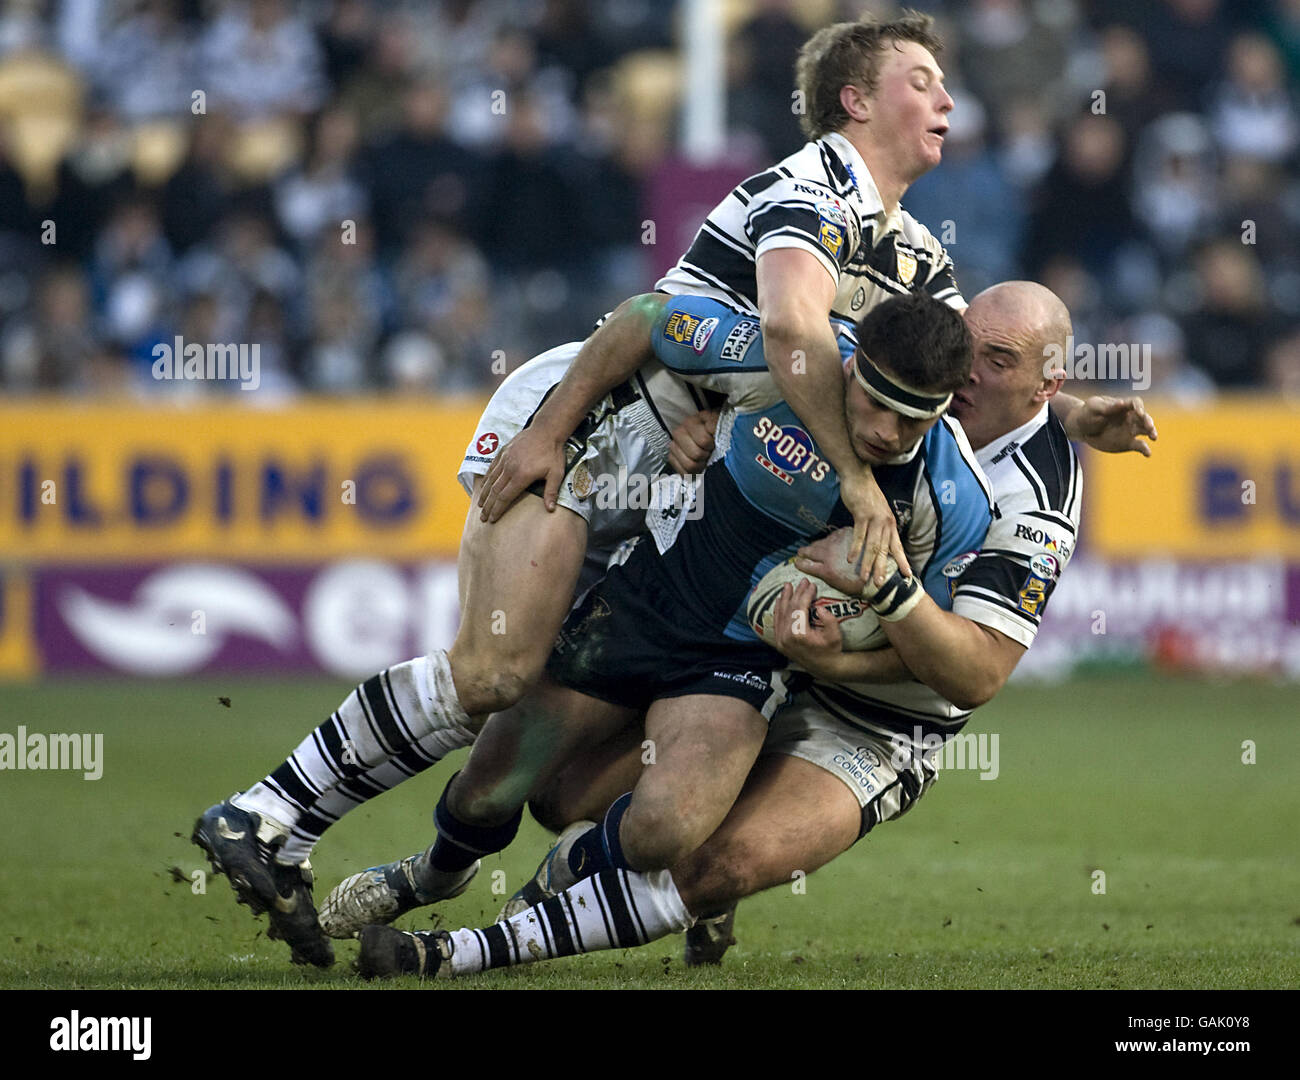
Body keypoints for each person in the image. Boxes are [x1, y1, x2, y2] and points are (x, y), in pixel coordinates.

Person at [190, 10, 965, 966]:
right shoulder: (814, 185)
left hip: (673, 497)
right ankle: (266, 818)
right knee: (494, 673)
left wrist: (1068, 406)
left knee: (595, 748)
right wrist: (854, 483)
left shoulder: (914, 252)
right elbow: (787, 333)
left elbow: (964, 372)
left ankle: (382, 863)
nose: (945, 97)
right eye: (922, 78)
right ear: (856, 101)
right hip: (596, 422)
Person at [345, 280, 1146, 980]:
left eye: (998, 362)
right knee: (556, 794)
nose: (968, 371)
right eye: (969, 348)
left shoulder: (1028, 505)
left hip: (881, 712)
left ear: (1046, 387)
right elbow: (704, 341)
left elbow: (973, 675)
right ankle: (458, 871)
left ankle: (475, 947)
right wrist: (711, 422)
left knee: (708, 859)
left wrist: (884, 605)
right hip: (760, 640)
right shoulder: (902, 371)